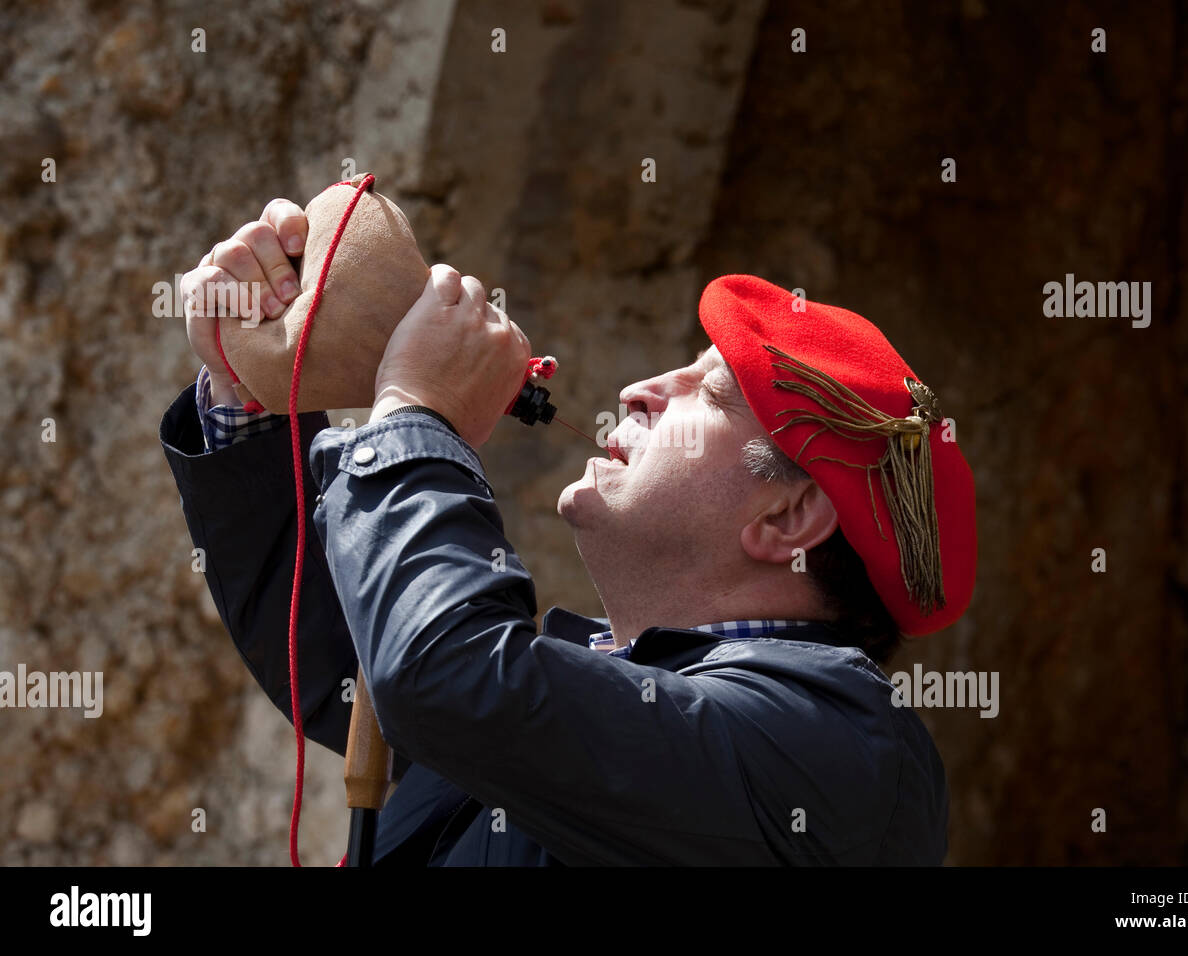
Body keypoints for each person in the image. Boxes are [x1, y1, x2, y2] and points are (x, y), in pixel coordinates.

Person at [159, 197, 976, 865]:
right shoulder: (615, 696)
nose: (644, 388)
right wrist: (250, 400)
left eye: (710, 392)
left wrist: (418, 416)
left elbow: (448, 679)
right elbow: (358, 651)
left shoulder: (834, 752)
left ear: (788, 516)